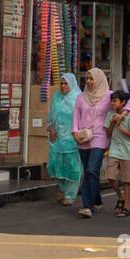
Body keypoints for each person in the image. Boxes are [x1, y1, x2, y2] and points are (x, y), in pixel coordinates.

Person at [72, 67, 112, 218]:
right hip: (83, 138)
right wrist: (74, 132)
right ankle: (97, 200)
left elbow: (126, 105)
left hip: (100, 138)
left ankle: (87, 206)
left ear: (99, 79)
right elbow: (76, 115)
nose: (88, 81)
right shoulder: (81, 97)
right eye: (87, 79)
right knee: (89, 171)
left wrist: (122, 115)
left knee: (91, 170)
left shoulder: (109, 95)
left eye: (91, 78)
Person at [46, 72, 83, 205]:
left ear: (72, 84)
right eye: (61, 83)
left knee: (72, 166)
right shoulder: (56, 97)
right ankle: (61, 189)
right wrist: (51, 128)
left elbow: (83, 118)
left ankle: (70, 195)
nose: (63, 86)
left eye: (66, 83)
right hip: (57, 137)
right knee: (57, 165)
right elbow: (50, 115)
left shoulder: (79, 98)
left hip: (72, 138)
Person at [105, 89, 130, 217]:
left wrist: (120, 127)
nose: (113, 103)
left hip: (127, 151)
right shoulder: (110, 115)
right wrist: (113, 124)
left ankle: (126, 206)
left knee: (127, 180)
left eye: (115, 101)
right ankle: (120, 196)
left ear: (123, 102)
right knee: (110, 176)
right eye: (112, 101)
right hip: (114, 149)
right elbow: (108, 133)